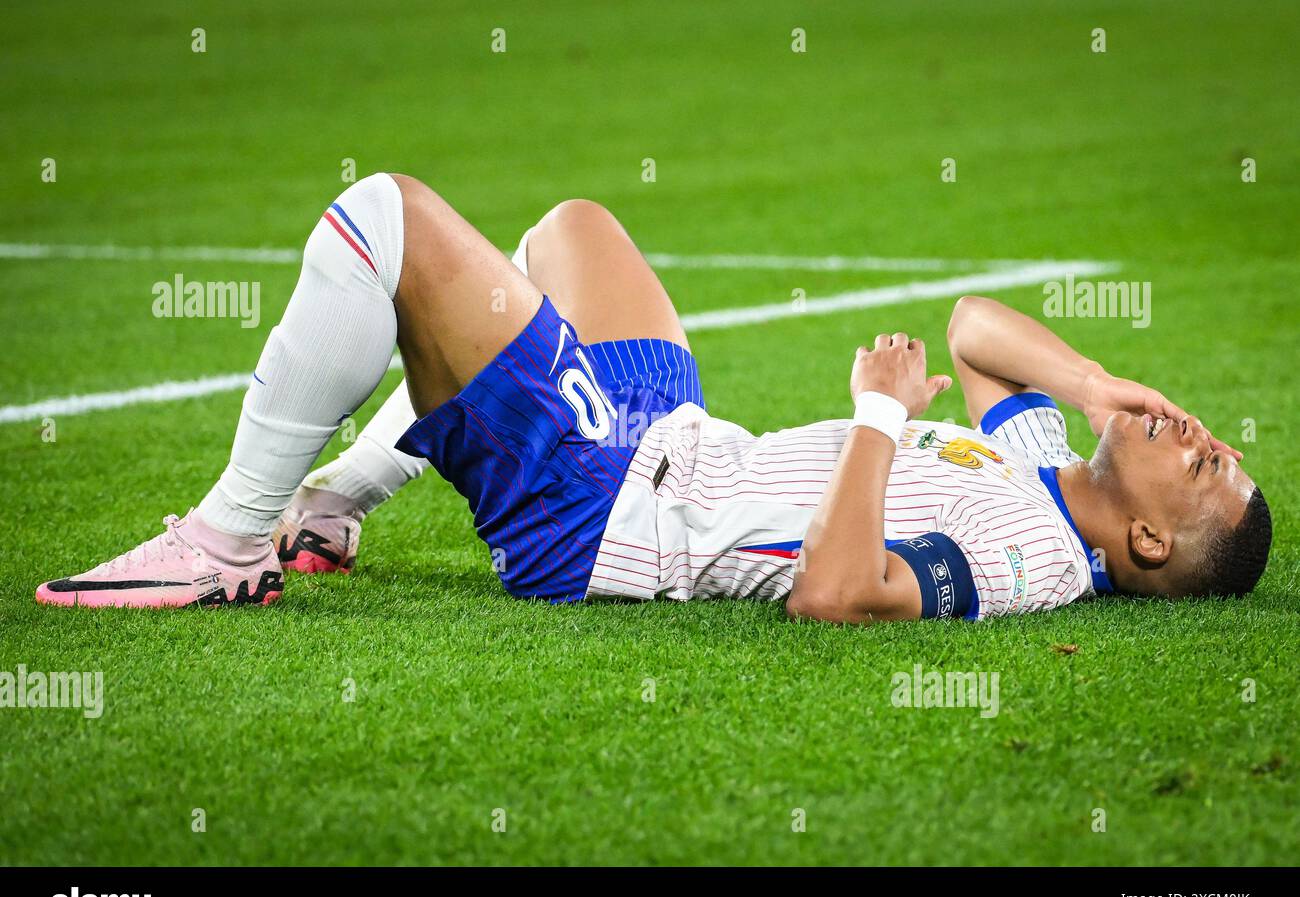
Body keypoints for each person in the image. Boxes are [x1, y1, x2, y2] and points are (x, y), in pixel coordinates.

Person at [36, 174, 1271, 621]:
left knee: (386, 222)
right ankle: (338, 499)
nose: (1199, 435)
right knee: (571, 230)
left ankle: (229, 539)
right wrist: (1105, 385)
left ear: (1151, 540)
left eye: (1205, 464)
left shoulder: (1034, 566)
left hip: (609, 510)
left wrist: (881, 416)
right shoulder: (1047, 472)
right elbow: (976, 330)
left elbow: (838, 595)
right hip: (677, 437)